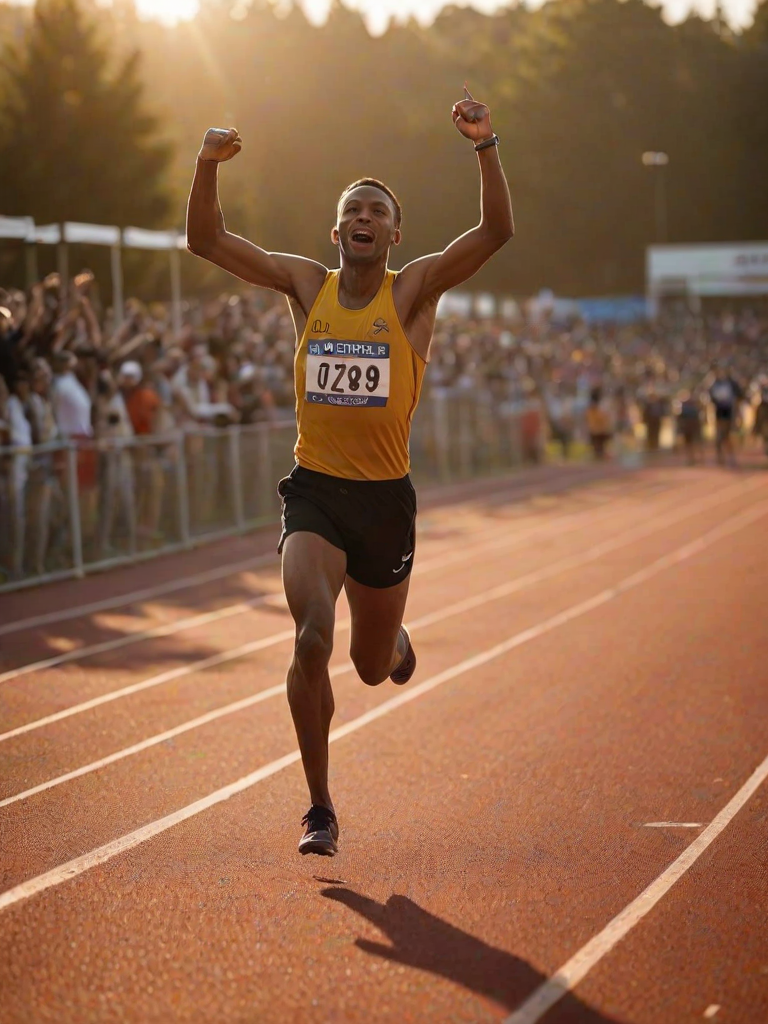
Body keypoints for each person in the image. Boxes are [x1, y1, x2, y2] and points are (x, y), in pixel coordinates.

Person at [187, 90, 514, 856]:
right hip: (316, 493)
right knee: (310, 639)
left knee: (369, 667)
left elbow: (496, 232)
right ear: (337, 233)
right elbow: (207, 241)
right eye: (353, 210)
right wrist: (206, 164)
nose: (365, 217)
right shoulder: (308, 286)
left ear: (395, 234)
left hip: (384, 505)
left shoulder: (413, 291)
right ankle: (320, 808)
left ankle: (393, 644)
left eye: (378, 211)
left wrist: (485, 144)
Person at [708, 365, 743, 467]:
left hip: (729, 411)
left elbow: (739, 397)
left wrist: (737, 413)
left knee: (727, 435)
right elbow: (711, 398)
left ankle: (729, 457)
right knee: (720, 435)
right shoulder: (715, 383)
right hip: (719, 411)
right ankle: (721, 457)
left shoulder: (732, 383)